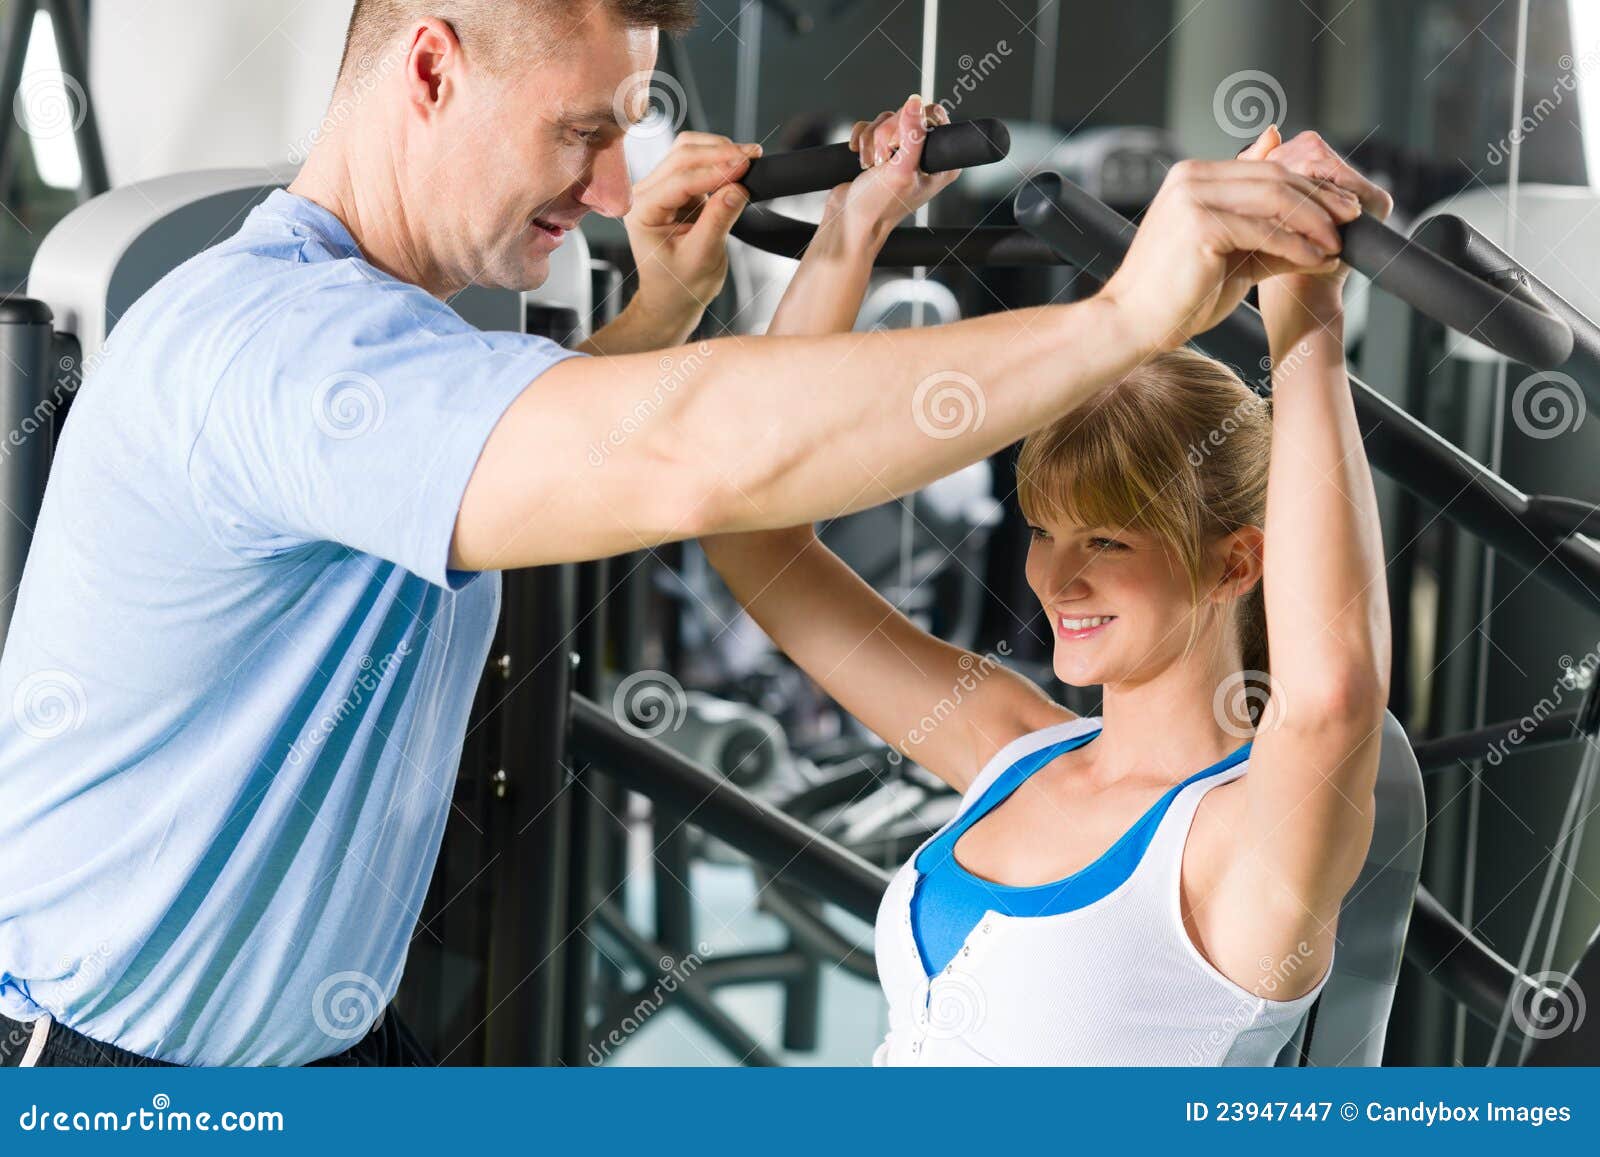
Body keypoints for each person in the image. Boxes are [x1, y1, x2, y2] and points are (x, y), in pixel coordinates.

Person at [0, 0, 1364, 1068]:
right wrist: (1125, 317)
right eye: (581, 133)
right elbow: (683, 465)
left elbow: (551, 457)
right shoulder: (278, 348)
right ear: (430, 71)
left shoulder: (378, 343)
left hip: (324, 1048)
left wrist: (731, 286)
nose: (605, 189)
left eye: (624, 138)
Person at [701, 121, 1393, 1065]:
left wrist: (1304, 314)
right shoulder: (1011, 748)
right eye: (1045, 530)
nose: (1056, 578)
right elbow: (754, 540)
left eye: (1108, 539)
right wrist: (849, 233)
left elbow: (1331, 696)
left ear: (1237, 563)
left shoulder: (1237, 844)